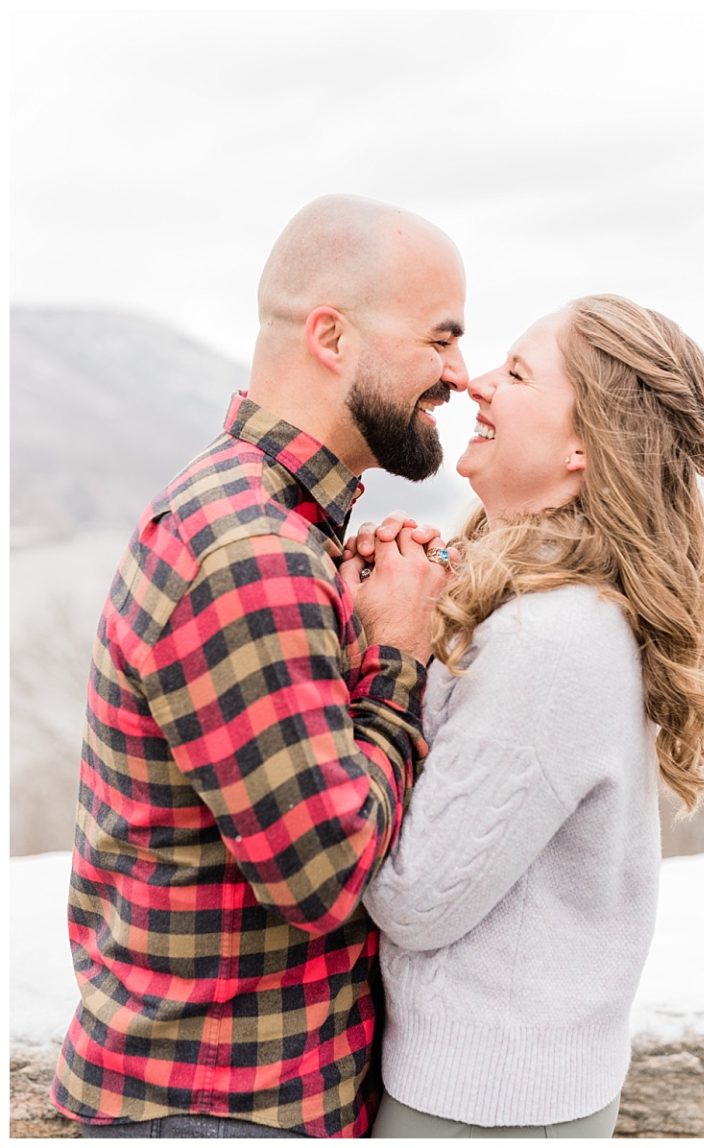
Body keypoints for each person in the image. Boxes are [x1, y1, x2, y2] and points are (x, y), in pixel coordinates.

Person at [51, 195, 468, 1138]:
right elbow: (326, 870)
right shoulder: (252, 550)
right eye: (441, 341)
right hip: (219, 1111)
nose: (460, 374)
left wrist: (359, 626)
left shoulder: (272, 525)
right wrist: (397, 651)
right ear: (332, 336)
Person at [348, 296, 704, 1137]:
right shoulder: (536, 605)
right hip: (502, 1089)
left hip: (480, 1104)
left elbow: (416, 899)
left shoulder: (554, 636)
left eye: (519, 373)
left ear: (585, 446)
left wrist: (399, 657)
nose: (478, 384)